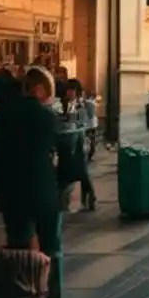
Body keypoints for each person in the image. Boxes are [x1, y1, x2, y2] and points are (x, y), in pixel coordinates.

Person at [0, 67, 66, 298]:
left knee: (20, 248)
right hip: (43, 191)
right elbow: (60, 150)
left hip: (11, 194)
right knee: (51, 247)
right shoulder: (45, 117)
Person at [58, 78, 97, 211]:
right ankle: (88, 196)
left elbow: (87, 123)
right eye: (68, 91)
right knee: (80, 171)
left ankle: (89, 196)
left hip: (81, 142)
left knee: (81, 171)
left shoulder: (85, 105)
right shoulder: (65, 104)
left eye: (72, 91)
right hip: (70, 141)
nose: (69, 93)